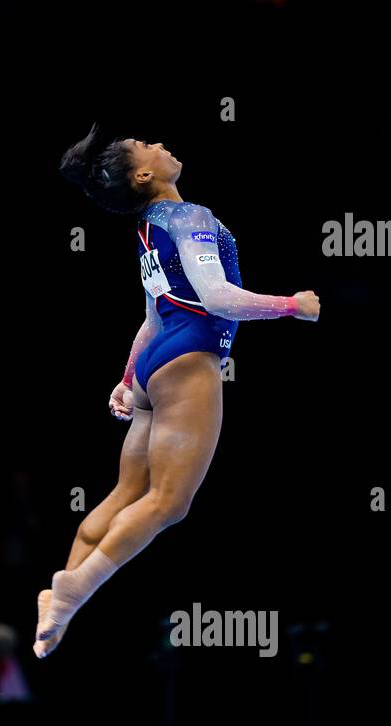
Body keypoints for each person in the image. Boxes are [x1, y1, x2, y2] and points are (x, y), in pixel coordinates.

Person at [34, 125, 321, 658]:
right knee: (168, 503)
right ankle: (73, 591)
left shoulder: (149, 228)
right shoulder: (189, 217)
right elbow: (217, 298)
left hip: (157, 360)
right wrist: (291, 305)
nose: (160, 143)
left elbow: (152, 315)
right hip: (190, 357)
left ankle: (60, 590)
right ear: (144, 175)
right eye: (149, 146)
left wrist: (127, 379)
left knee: (126, 495)